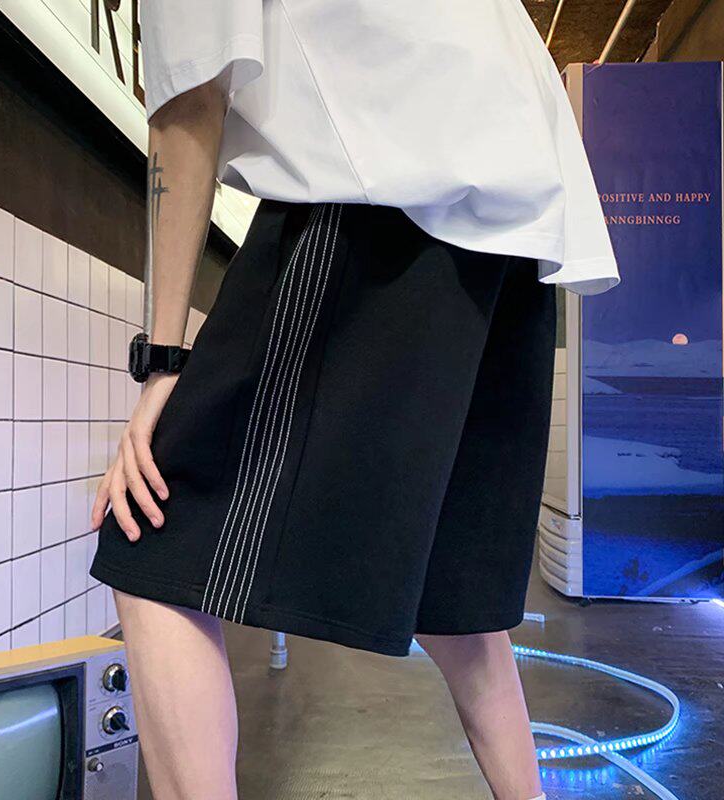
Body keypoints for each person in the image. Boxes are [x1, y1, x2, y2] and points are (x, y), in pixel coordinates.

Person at [89, 2, 620, 798]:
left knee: (149, 537)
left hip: (377, 197)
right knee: (454, 592)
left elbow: (189, 100)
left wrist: (162, 363)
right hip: (513, 232)